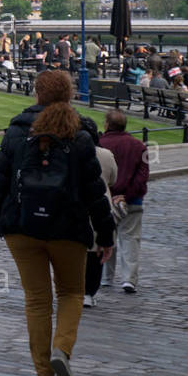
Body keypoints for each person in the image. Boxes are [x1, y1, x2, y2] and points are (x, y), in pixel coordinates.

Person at [0, 70, 114, 376]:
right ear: (67, 95)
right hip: (67, 226)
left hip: (23, 226)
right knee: (70, 294)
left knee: (37, 301)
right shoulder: (79, 135)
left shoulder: (16, 131)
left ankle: (44, 375)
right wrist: (106, 235)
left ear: (37, 93)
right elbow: (95, 192)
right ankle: (61, 350)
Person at [100, 110, 148, 294]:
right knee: (130, 239)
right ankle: (129, 279)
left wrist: (112, 194)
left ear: (106, 124)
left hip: (106, 200)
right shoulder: (138, 146)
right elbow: (141, 177)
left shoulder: (100, 144)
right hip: (132, 200)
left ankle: (106, 277)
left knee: (106, 236)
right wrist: (127, 196)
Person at [80, 116, 116, 309]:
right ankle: (88, 292)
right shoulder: (105, 155)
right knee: (95, 252)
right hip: (100, 203)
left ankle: (79, 289)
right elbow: (113, 178)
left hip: (82, 205)